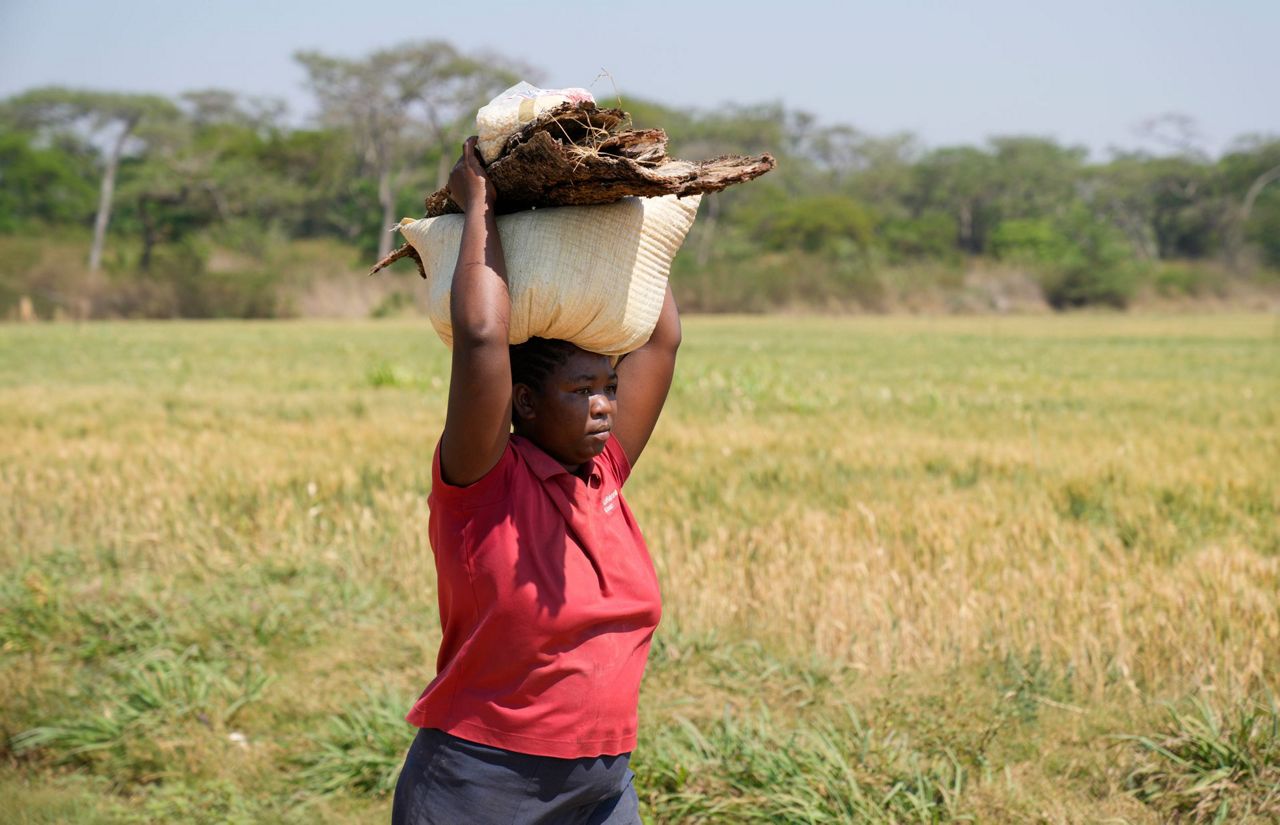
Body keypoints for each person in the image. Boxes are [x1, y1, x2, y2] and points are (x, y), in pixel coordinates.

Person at [391, 137, 682, 825]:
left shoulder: (603, 475)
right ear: (522, 401)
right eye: (582, 390)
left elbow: (659, 338)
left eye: (609, 386)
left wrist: (617, 204)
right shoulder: (484, 484)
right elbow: (485, 335)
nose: (605, 404)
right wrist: (480, 203)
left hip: (603, 784)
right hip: (479, 785)